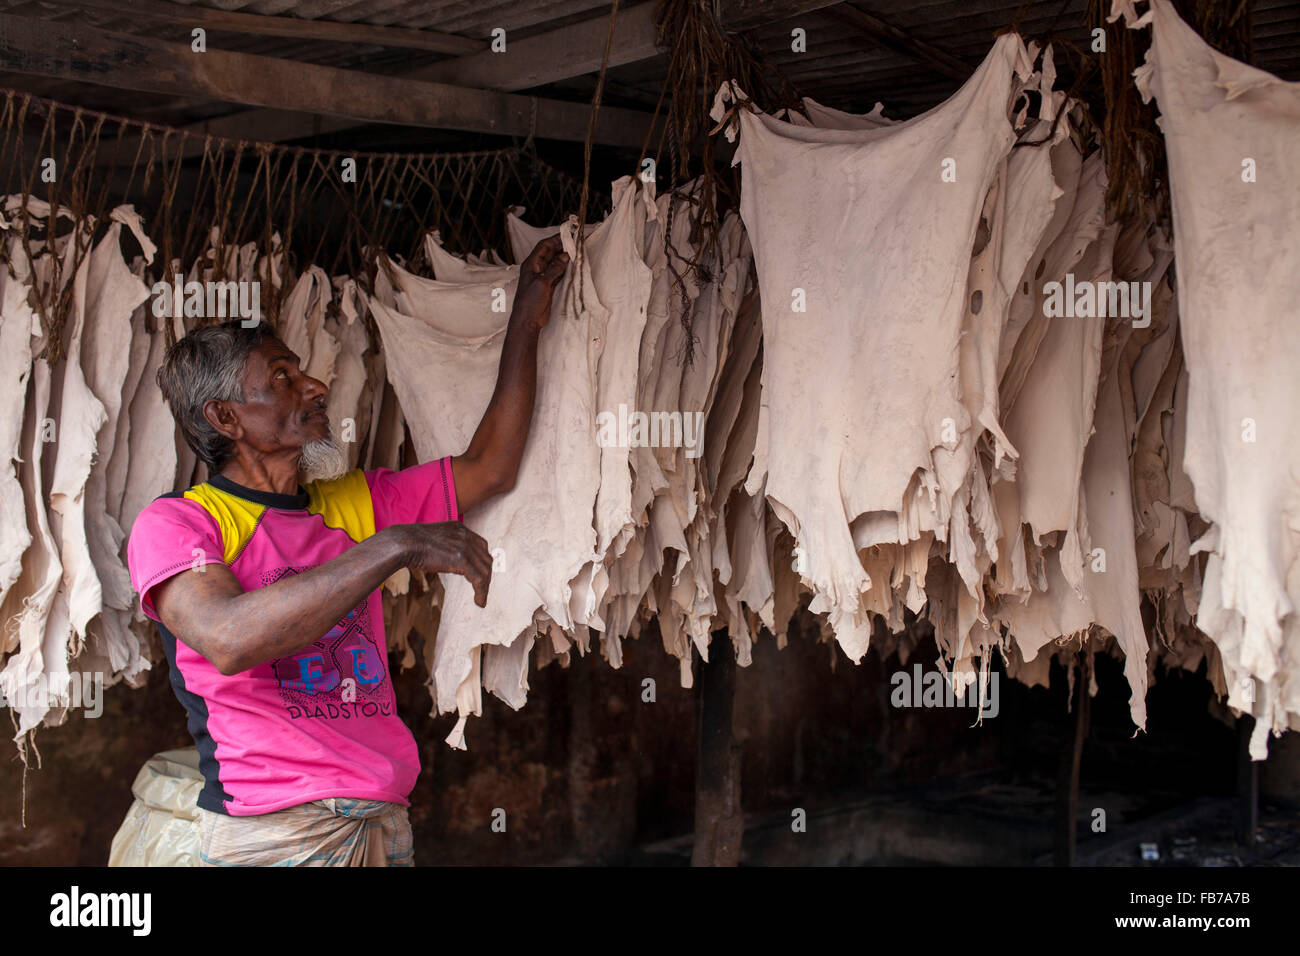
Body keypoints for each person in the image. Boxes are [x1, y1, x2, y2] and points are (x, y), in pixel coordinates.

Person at [126, 235, 570, 866]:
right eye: (281, 378)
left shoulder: (350, 504)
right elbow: (228, 637)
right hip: (274, 833)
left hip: (381, 821)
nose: (312, 385)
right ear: (225, 418)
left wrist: (526, 317)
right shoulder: (181, 523)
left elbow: (490, 467)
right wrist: (394, 546)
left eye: (300, 369)